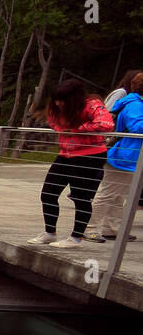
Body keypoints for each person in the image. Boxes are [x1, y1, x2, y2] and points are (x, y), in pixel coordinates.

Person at [27, 79, 115, 248]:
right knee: (48, 193)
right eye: (57, 100)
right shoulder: (57, 108)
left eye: (63, 100)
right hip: (66, 154)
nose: (59, 104)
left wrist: (76, 129)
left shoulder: (92, 105)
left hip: (89, 155)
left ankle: (76, 237)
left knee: (80, 196)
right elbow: (53, 122)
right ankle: (50, 232)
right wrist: (63, 128)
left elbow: (106, 123)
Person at [87, 71, 143, 242]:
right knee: (108, 193)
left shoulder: (133, 102)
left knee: (118, 195)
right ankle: (89, 228)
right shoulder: (135, 105)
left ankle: (110, 228)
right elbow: (138, 127)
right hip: (125, 156)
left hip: (128, 156)